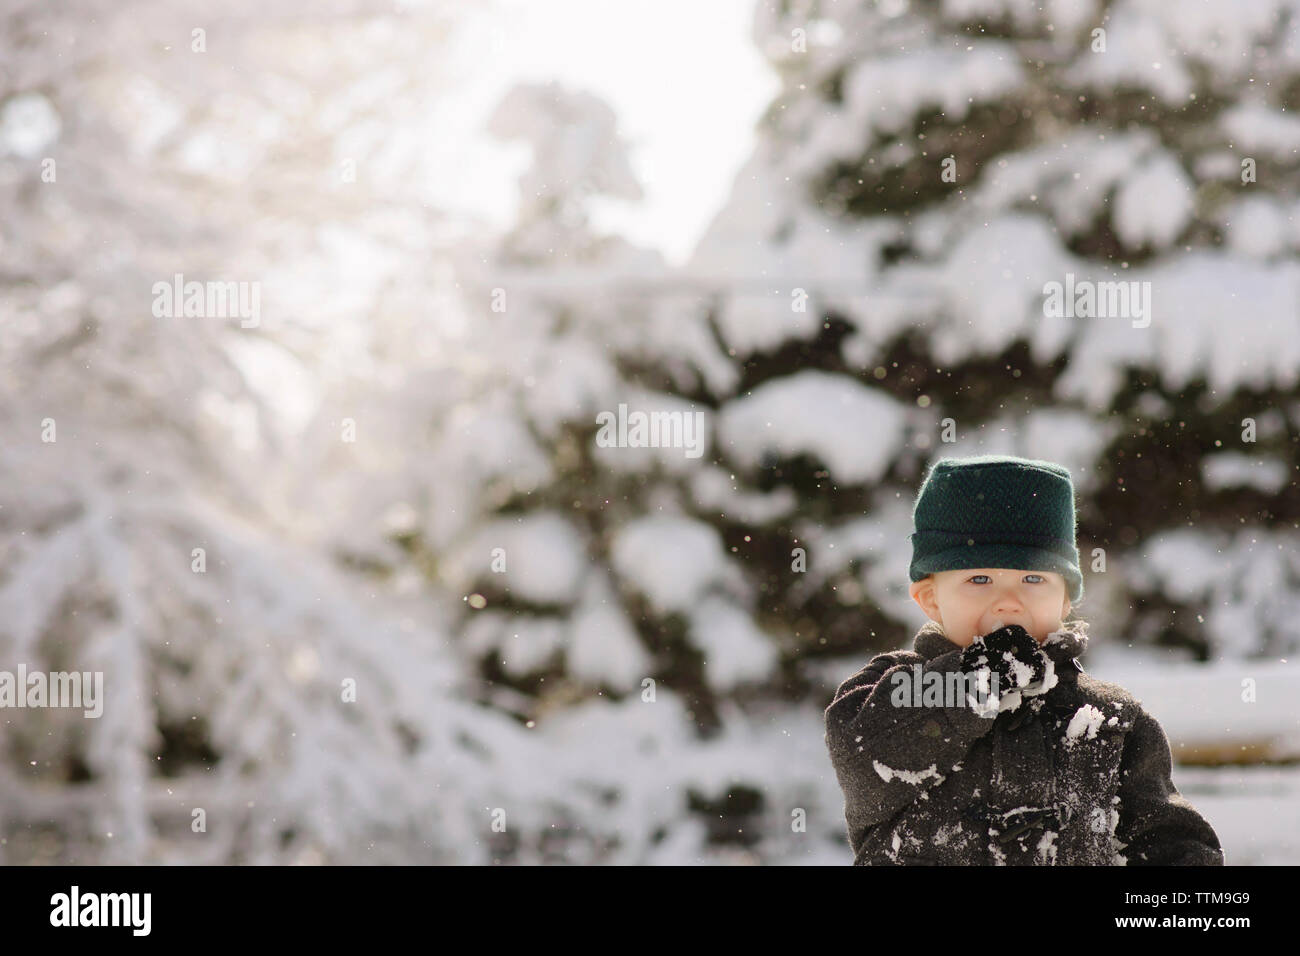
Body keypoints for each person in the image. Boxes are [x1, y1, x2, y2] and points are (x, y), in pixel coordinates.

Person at [824, 454, 1224, 865]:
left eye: (1034, 579)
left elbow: (1167, 839)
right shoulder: (897, 690)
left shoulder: (1108, 719)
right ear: (930, 598)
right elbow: (867, 754)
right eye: (979, 580)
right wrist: (974, 680)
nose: (1009, 602)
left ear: (1065, 600)